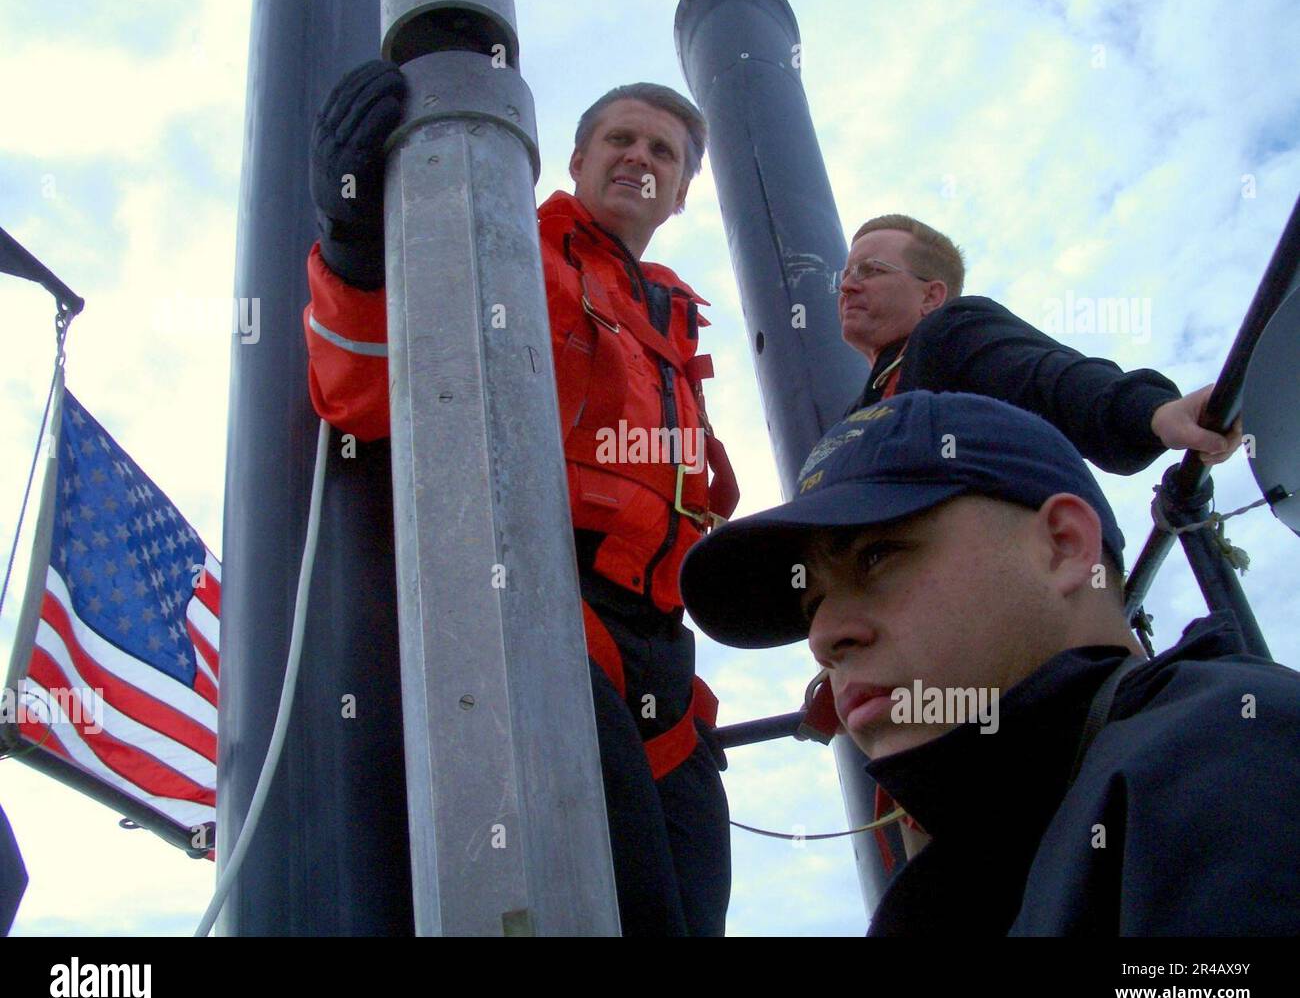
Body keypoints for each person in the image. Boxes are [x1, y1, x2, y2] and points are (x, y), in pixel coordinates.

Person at [302, 60, 738, 935]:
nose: (639, 158)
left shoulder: (677, 328)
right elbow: (363, 393)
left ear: (683, 191)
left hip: (667, 655)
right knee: (624, 903)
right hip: (544, 598)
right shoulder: (509, 243)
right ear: (574, 160)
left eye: (664, 150)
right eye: (620, 138)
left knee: (696, 911)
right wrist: (352, 237)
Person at [679, 390, 1300, 935]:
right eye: (812, 602)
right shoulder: (962, 884)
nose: (822, 638)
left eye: (876, 557)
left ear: (1063, 548)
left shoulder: (1232, 754)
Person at [837, 214, 1240, 473]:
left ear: (931, 296)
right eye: (847, 272)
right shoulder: (852, 418)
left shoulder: (948, 334)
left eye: (871, 270)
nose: (847, 285)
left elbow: (1043, 377)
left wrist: (1152, 411)